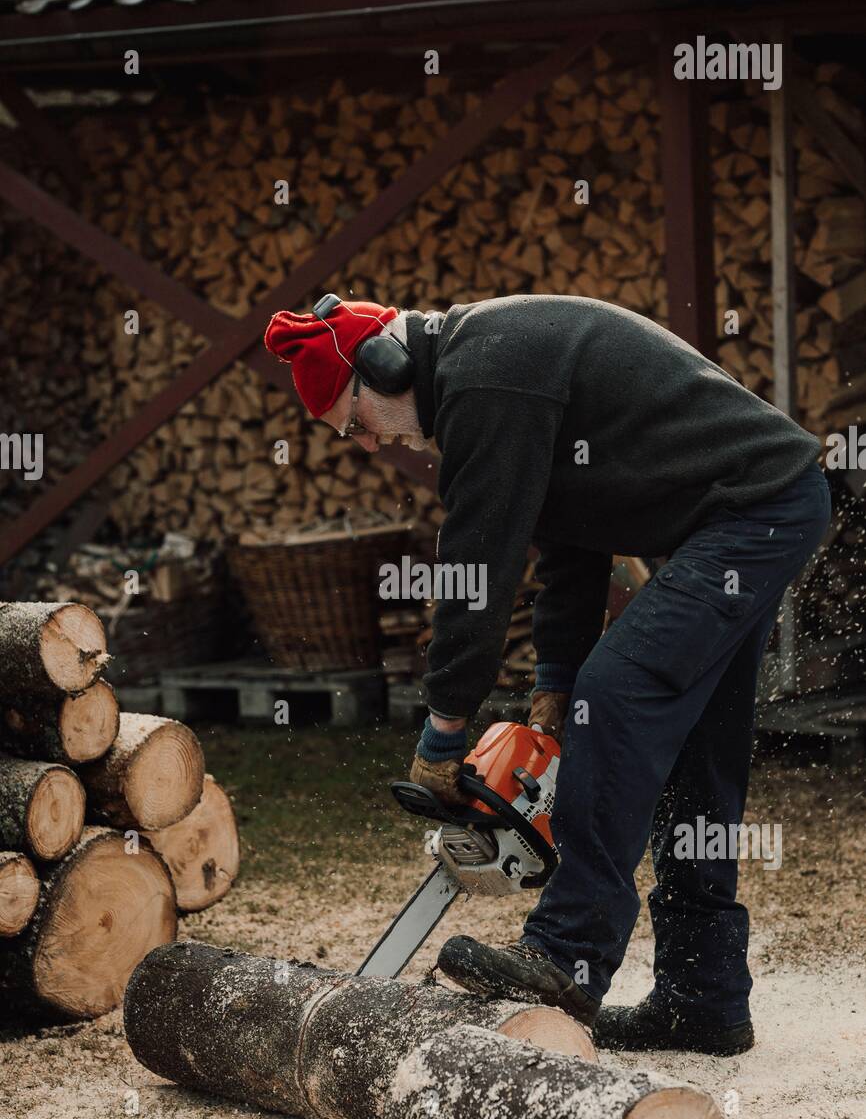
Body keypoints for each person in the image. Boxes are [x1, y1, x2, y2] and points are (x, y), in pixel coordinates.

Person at [264, 292, 830, 1056]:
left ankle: (565, 954)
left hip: (754, 511)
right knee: (696, 743)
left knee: (619, 693)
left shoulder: (484, 380)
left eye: (354, 421)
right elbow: (569, 538)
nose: (365, 443)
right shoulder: (488, 371)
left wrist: (444, 730)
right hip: (754, 511)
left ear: (382, 365)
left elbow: (478, 568)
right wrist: (551, 686)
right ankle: (705, 997)